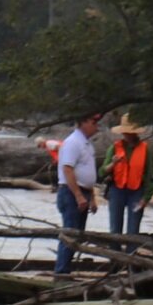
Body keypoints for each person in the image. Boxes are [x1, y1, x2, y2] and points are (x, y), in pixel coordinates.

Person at [53, 111, 101, 274]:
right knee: (70, 233)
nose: (96, 126)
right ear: (83, 122)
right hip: (71, 193)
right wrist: (79, 196)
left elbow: (88, 172)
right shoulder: (73, 142)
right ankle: (61, 271)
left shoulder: (87, 144)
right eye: (93, 122)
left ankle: (66, 268)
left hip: (84, 192)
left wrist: (92, 197)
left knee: (77, 235)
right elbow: (67, 169)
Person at [103, 116, 153, 235]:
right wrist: (113, 163)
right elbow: (102, 171)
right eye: (125, 132)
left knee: (133, 230)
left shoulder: (145, 149)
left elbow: (150, 175)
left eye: (130, 132)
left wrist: (146, 197)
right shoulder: (114, 148)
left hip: (137, 191)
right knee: (115, 229)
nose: (128, 135)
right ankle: (115, 252)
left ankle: (131, 253)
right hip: (117, 190)